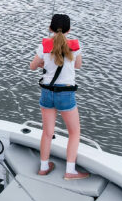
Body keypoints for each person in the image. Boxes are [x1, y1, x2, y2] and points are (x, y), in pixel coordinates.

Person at [30, 13, 89, 180]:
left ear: (50, 28)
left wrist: (43, 62)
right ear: (69, 30)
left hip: (47, 92)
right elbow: (77, 66)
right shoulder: (75, 47)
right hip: (66, 93)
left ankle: (43, 167)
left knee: (47, 132)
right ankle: (70, 170)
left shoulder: (44, 46)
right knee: (74, 132)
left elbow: (32, 66)